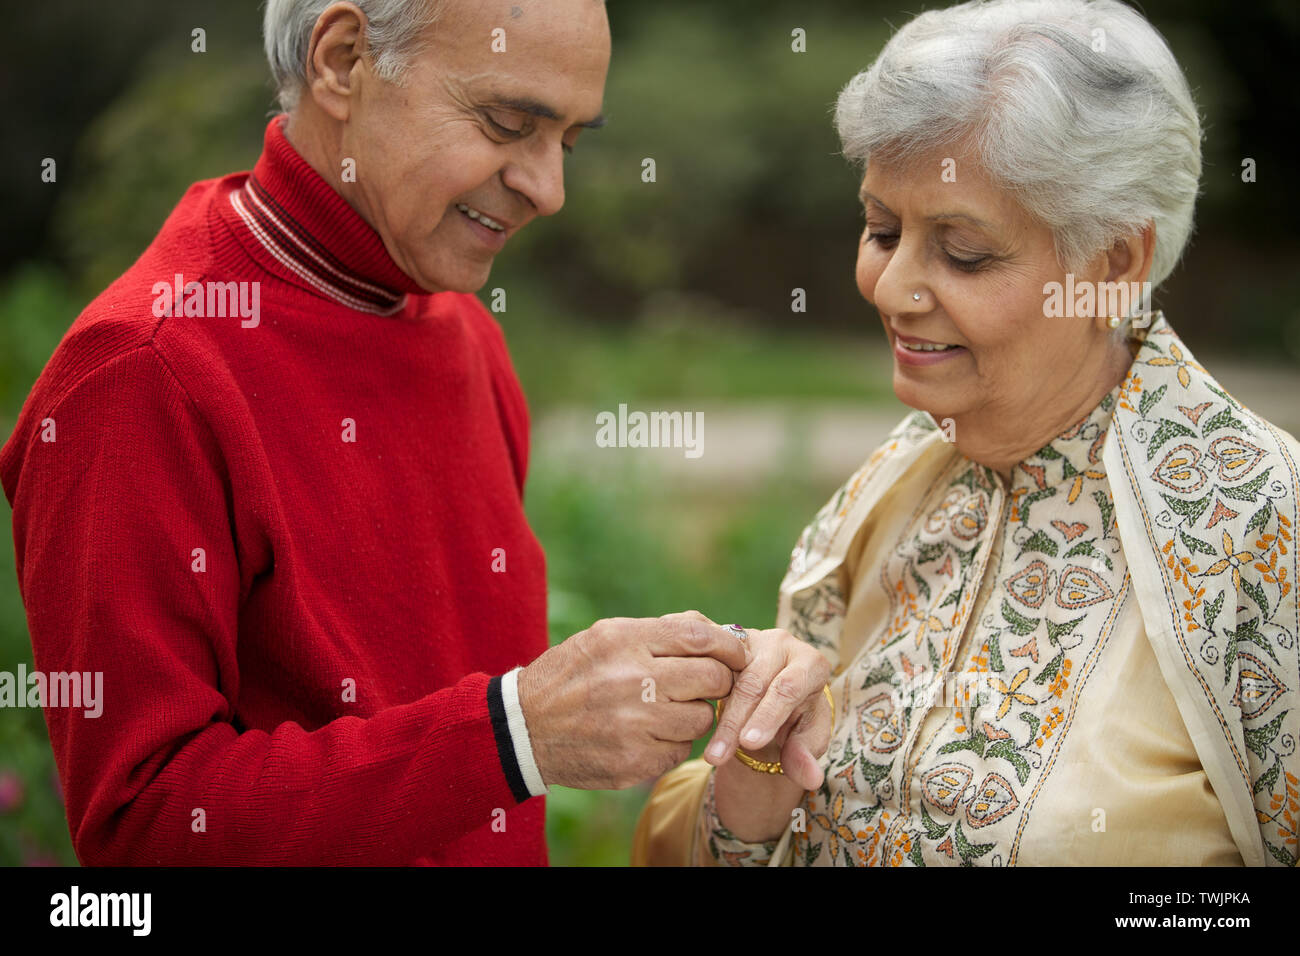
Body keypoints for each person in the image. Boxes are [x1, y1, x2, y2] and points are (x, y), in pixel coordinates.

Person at [0, 0, 801, 865]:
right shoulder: (140, 372)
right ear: (343, 60)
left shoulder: (461, 327)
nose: (548, 189)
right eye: (508, 123)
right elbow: (142, 829)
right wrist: (512, 735)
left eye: (567, 142)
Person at [636, 0, 1299, 867]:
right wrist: (752, 786)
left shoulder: (1260, 525)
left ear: (1114, 264)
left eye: (964, 253)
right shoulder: (879, 502)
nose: (892, 287)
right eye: (881, 230)